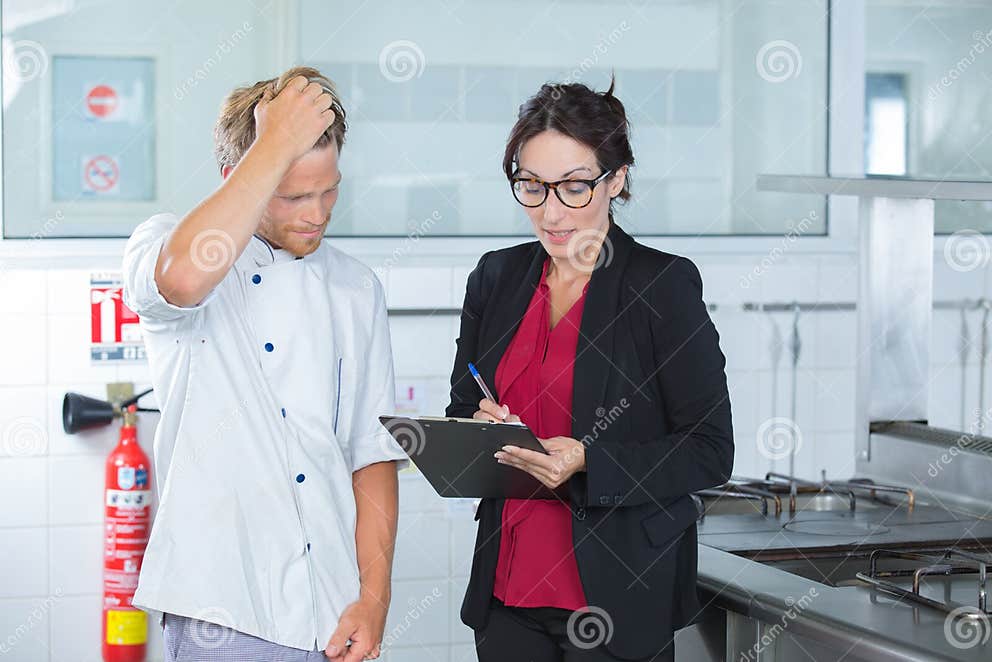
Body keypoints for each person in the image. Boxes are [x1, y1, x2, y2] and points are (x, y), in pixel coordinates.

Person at [121, 66, 408, 662]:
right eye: (294, 195)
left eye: (329, 191)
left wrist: (373, 600)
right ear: (240, 177)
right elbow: (181, 279)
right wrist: (274, 141)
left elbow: (372, 454)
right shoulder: (171, 244)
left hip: (331, 610)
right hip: (221, 611)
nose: (317, 213)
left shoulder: (355, 287)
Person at [446, 79, 734, 661]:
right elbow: (461, 409)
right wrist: (479, 429)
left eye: (575, 187)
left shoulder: (661, 286)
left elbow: (709, 450)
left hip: (616, 595)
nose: (550, 212)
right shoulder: (495, 278)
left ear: (617, 179)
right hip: (508, 589)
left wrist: (588, 461)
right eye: (532, 186)